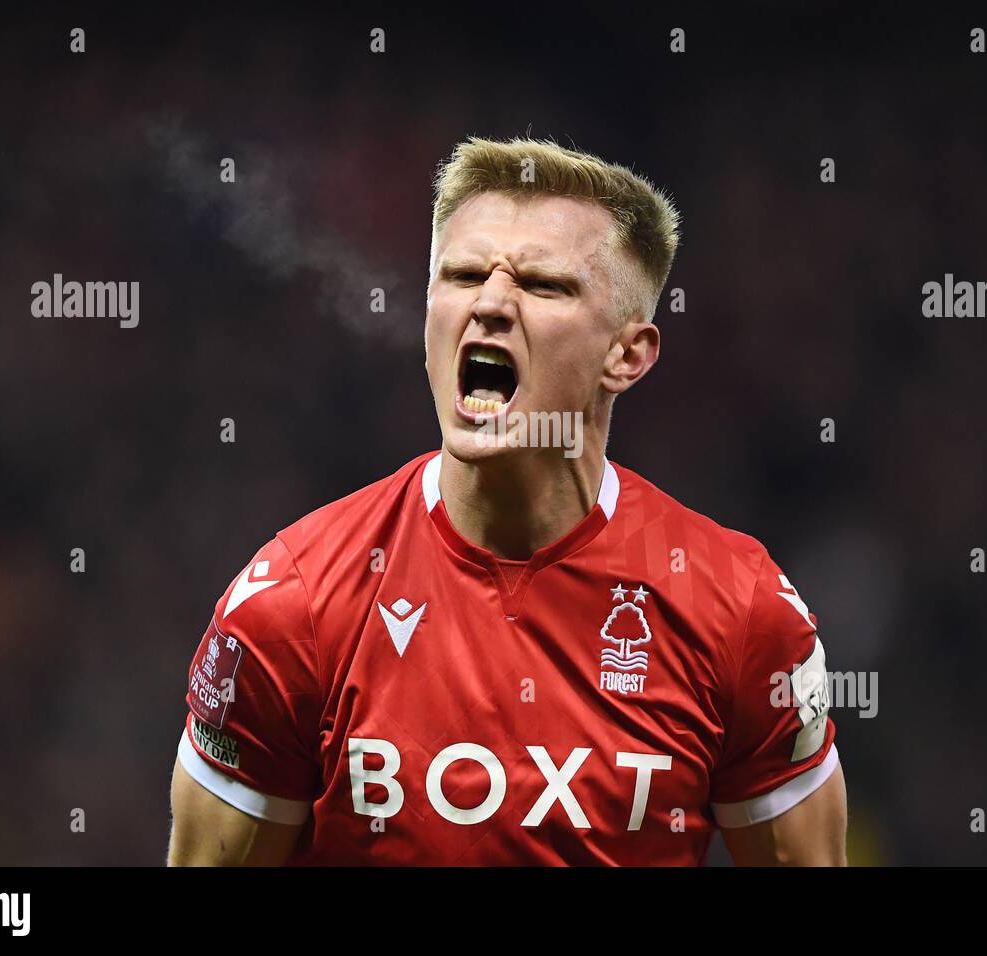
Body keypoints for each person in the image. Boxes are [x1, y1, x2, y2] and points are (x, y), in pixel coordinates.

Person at [167, 136, 846, 865]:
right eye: (461, 275)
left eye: (543, 286)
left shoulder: (742, 612)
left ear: (628, 354)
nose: (490, 302)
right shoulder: (291, 605)